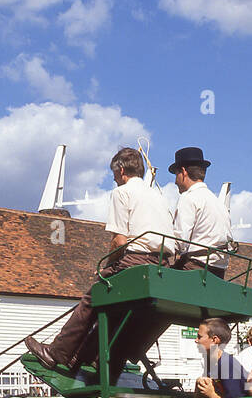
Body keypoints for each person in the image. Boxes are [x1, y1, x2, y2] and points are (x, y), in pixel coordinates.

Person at [26, 147, 175, 370]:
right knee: (117, 309)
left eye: (114, 174)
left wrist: (107, 267)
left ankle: (58, 353)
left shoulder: (122, 192)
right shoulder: (159, 197)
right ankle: (89, 358)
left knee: (93, 297)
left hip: (136, 261)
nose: (114, 179)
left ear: (122, 171)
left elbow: (119, 241)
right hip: (162, 265)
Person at [168, 147, 232, 274]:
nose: (175, 181)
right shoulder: (218, 203)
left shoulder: (189, 198)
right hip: (219, 271)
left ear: (183, 171)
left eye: (176, 175)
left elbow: (179, 242)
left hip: (195, 268)